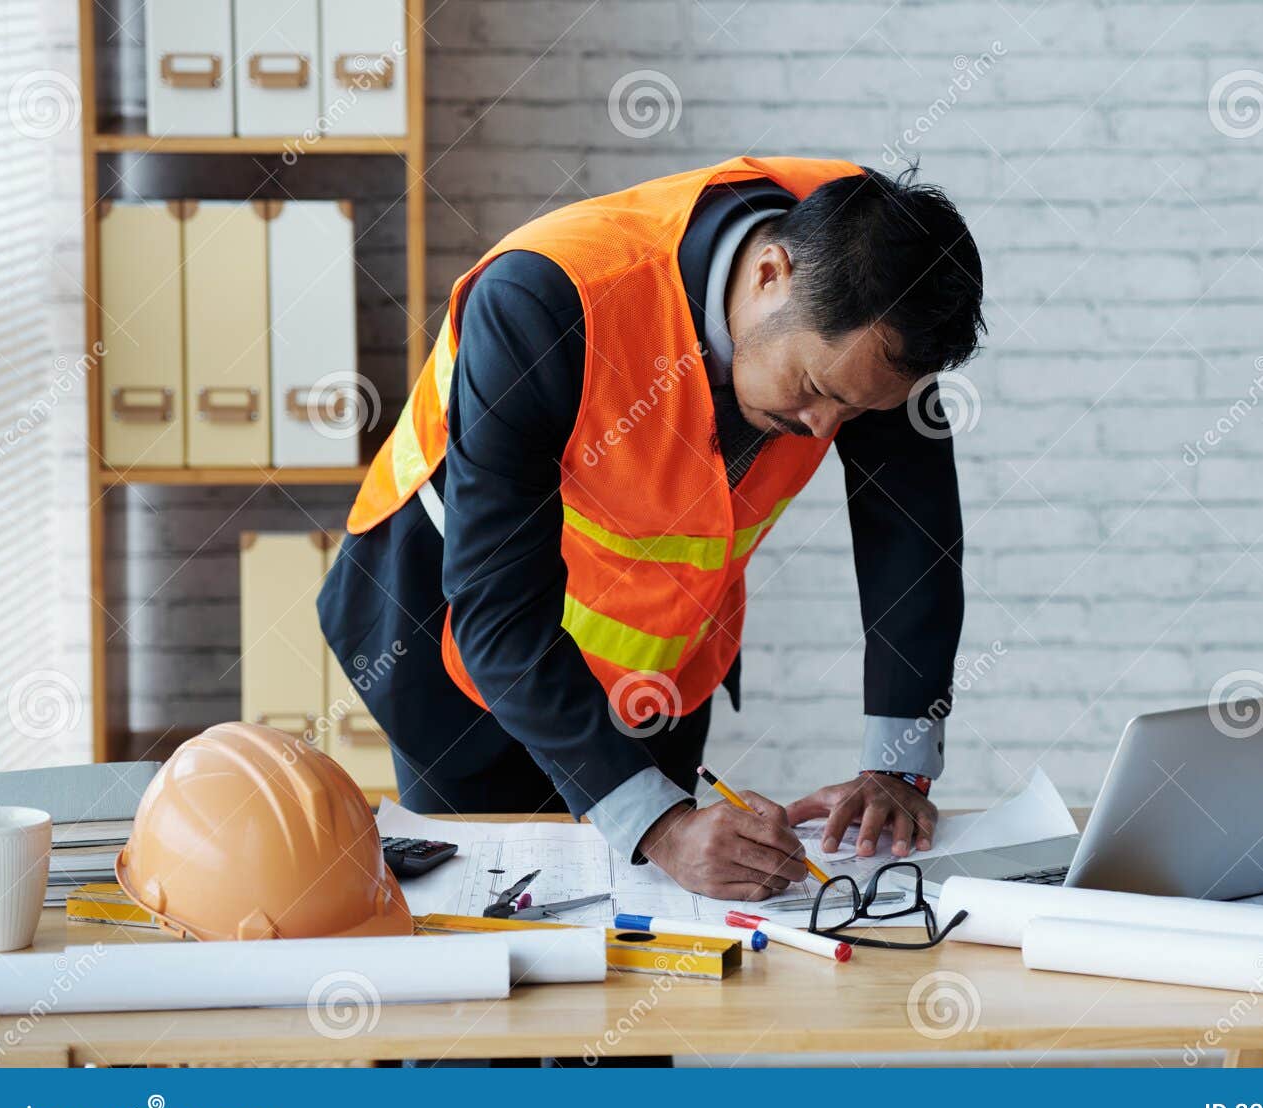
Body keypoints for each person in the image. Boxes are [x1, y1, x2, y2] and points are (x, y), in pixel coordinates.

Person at [319, 156, 984, 901]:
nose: (827, 428)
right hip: (455, 646)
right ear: (771, 274)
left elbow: (913, 537)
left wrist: (895, 766)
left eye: (856, 413)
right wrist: (659, 826)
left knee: (647, 918)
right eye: (815, 392)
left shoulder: (887, 287)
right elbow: (497, 609)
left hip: (657, 657)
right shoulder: (544, 300)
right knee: (494, 918)